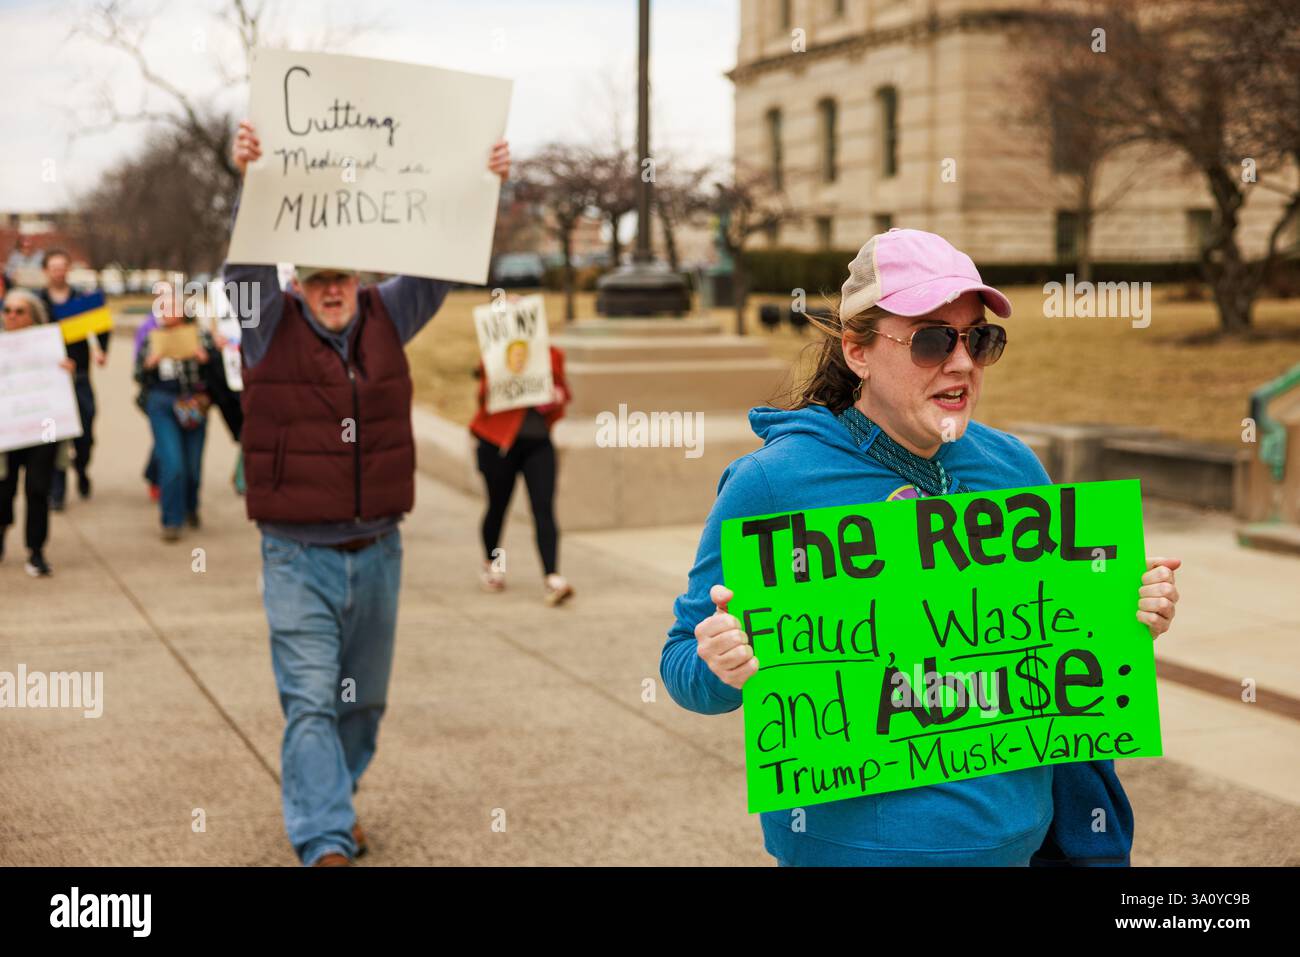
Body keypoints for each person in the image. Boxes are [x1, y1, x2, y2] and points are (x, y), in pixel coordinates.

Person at [660, 228, 1183, 866]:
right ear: (858, 349)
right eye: (933, 339)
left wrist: (1127, 613)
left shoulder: (1014, 466)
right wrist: (721, 665)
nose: (961, 362)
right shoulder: (771, 484)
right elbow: (681, 665)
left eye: (979, 339)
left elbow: (1052, 644)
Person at [223, 119, 511, 866]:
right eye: (317, 279)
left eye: (342, 277)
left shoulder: (389, 312)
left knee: (363, 704)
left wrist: (483, 182)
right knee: (311, 699)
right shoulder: (265, 328)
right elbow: (243, 272)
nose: (331, 291)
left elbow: (443, 262)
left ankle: (334, 797)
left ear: (358, 278)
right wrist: (252, 180)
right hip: (297, 554)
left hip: (379, 549)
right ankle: (323, 837)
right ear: (297, 283)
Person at [469, 337, 574, 604]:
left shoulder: (551, 354)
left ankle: (552, 576)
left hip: (538, 443)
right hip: (498, 443)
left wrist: (551, 398)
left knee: (543, 508)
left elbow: (563, 393)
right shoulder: (495, 354)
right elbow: (483, 395)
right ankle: (493, 564)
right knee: (497, 506)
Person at [0, 289, 72, 576]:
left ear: (33, 316)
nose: (12, 316)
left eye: (19, 311)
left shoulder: (50, 345)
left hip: (44, 426)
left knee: (38, 488)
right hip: (7, 430)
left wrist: (66, 371)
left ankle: (36, 550)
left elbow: (62, 384)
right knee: (3, 490)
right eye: (7, 310)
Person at [135, 283, 213, 540]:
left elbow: (218, 375)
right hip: (162, 402)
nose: (167, 312)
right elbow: (137, 375)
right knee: (173, 463)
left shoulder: (200, 335)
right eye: (163, 307)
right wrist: (149, 365)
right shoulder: (151, 338)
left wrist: (206, 359)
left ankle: (191, 507)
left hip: (193, 403)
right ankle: (171, 520)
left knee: (192, 466)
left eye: (173, 306)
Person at [38, 249, 108, 509]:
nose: (58, 271)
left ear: (68, 269)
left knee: (86, 432)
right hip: (49, 381)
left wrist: (102, 351)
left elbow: (102, 329)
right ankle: (57, 488)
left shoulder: (82, 298)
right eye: (53, 267)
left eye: (62, 266)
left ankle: (82, 466)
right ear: (46, 271)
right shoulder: (39, 302)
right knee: (54, 436)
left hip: (79, 376)